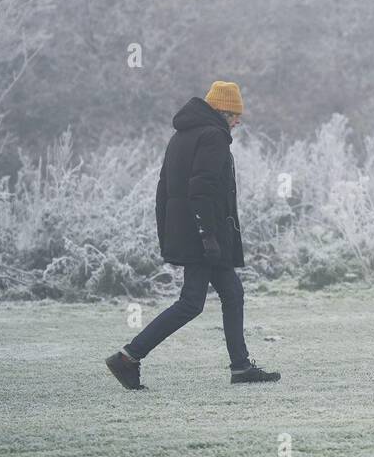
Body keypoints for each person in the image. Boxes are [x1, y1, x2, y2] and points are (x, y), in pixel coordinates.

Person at [105, 80, 280, 389]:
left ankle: (240, 367)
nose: (239, 121)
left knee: (232, 294)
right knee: (191, 303)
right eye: (236, 114)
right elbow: (201, 191)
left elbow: (164, 190)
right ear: (224, 112)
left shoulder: (182, 135)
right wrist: (208, 236)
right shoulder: (213, 136)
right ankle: (128, 356)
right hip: (203, 236)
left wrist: (174, 232)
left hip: (190, 232)